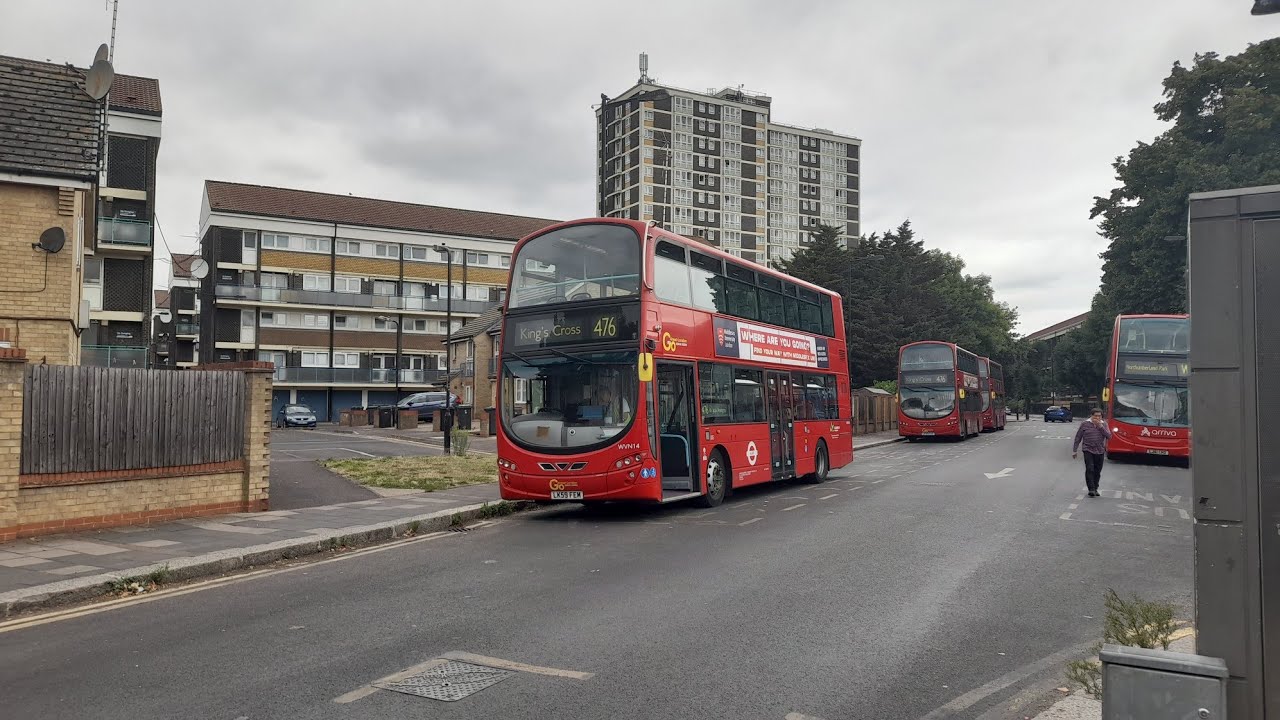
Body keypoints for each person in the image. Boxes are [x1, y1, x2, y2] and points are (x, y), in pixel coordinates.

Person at [1072, 408, 1113, 497]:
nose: (1097, 418)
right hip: (1088, 449)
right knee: (1090, 469)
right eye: (1095, 416)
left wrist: (1100, 427)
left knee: (1097, 471)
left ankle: (1095, 488)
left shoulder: (1104, 424)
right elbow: (1078, 437)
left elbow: (1109, 436)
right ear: (1091, 416)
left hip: (1100, 450)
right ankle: (1091, 489)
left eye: (1099, 416)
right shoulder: (1085, 424)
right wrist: (1074, 450)